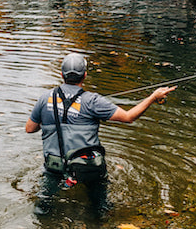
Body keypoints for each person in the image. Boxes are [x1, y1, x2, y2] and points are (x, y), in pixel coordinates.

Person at [25, 52, 176, 216]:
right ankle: (98, 216)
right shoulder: (93, 101)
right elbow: (129, 117)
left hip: (54, 167)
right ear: (85, 75)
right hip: (87, 167)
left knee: (43, 206)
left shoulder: (45, 98)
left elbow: (30, 128)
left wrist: (50, 118)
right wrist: (153, 97)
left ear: (62, 75)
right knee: (100, 208)